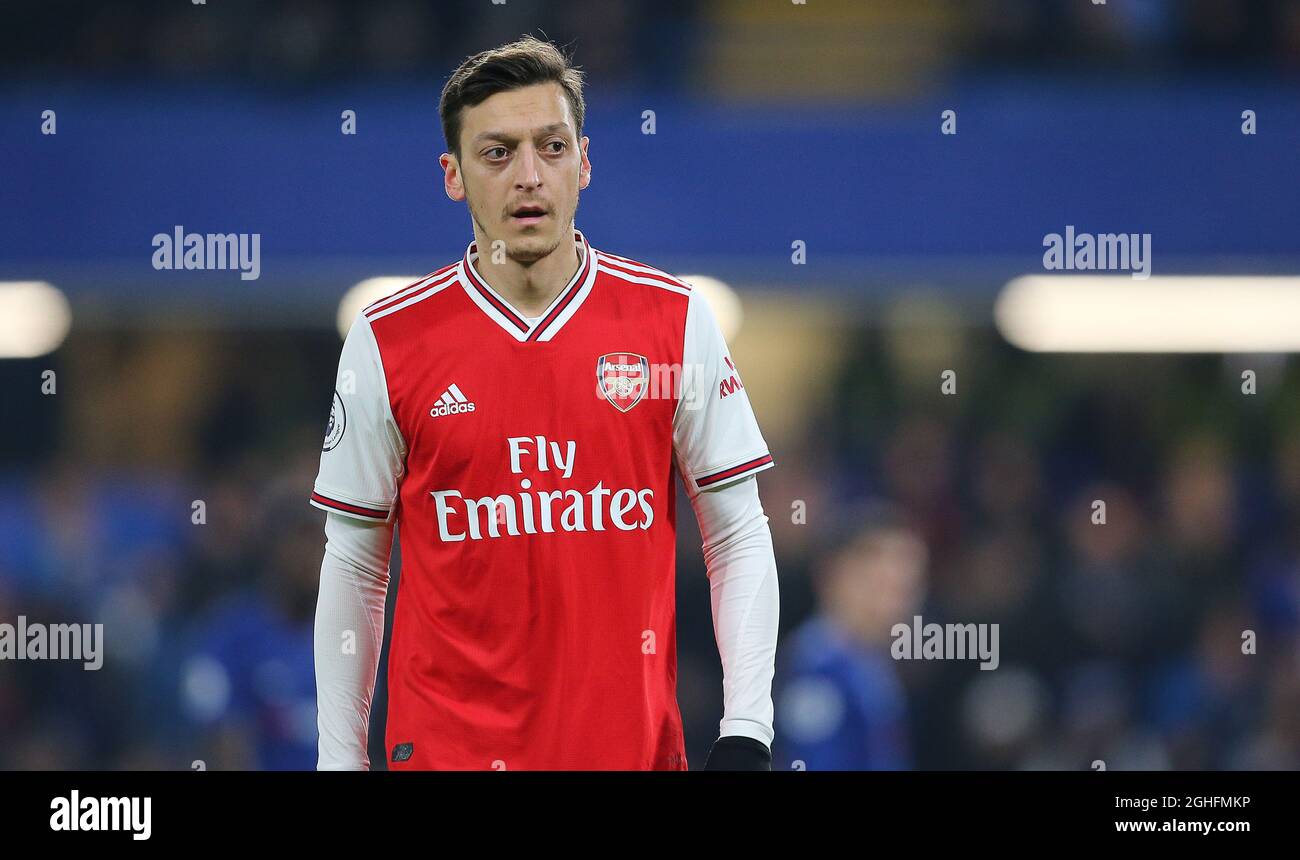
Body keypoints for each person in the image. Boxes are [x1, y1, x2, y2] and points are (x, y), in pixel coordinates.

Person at [309, 36, 779, 770]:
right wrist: (339, 761)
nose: (529, 176)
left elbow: (738, 533)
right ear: (453, 176)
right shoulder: (389, 339)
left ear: (584, 163)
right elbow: (355, 563)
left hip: (627, 753)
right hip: (444, 754)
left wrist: (748, 724)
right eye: (497, 152)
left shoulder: (670, 321)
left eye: (551, 147)